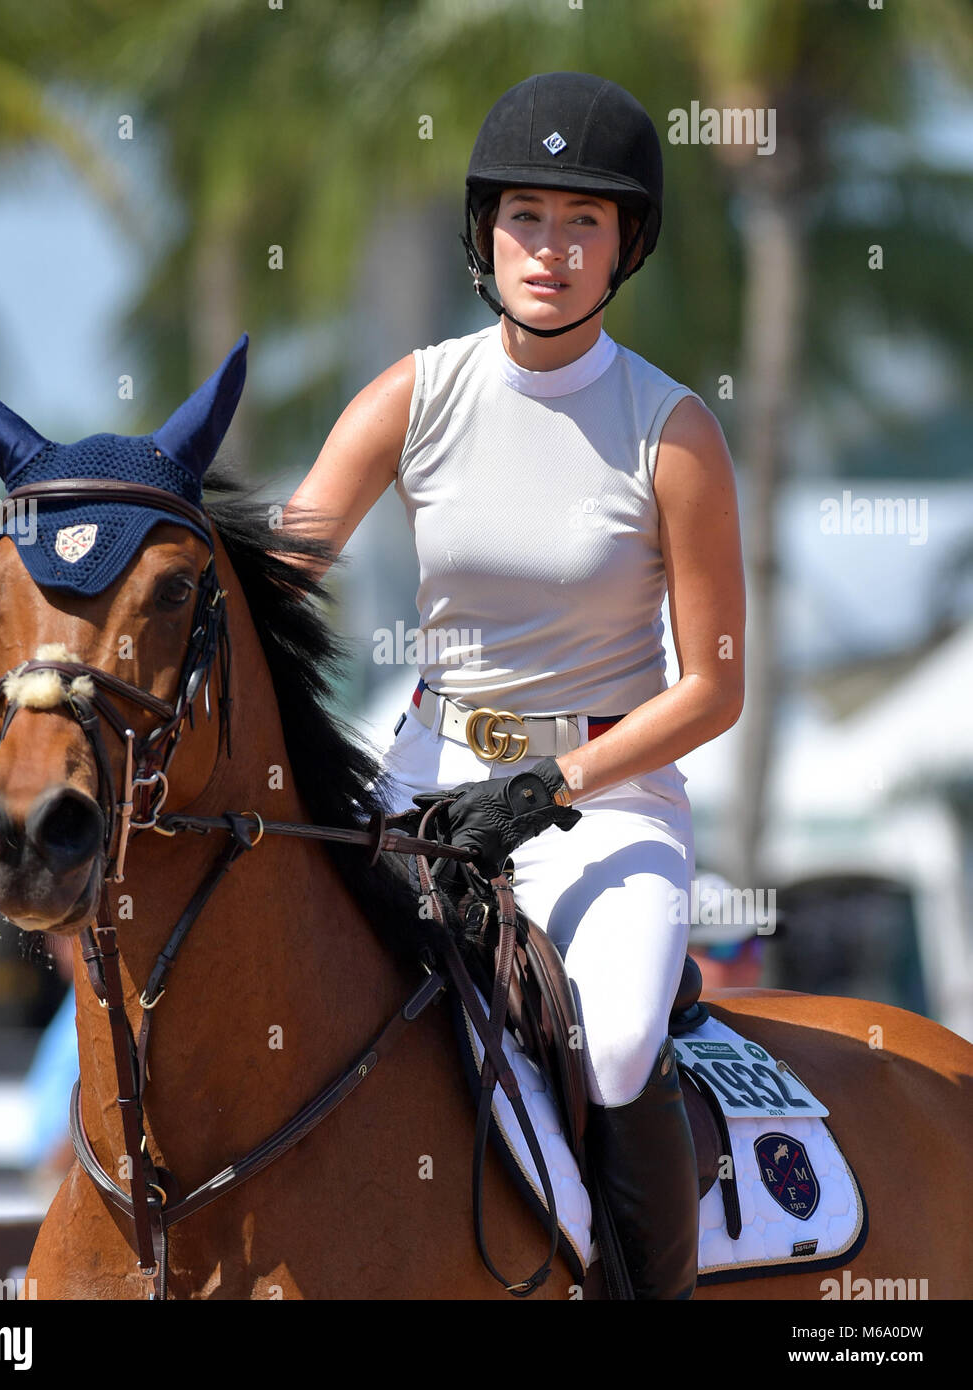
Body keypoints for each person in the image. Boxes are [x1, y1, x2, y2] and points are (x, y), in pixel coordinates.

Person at [283, 72, 745, 1300]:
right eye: (526, 216)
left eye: (583, 221)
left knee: (618, 1041)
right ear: (485, 234)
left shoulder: (675, 431)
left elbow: (713, 689)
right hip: (430, 770)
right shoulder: (415, 394)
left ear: (624, 245)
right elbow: (275, 578)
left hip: (609, 797)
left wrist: (555, 785)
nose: (551, 248)